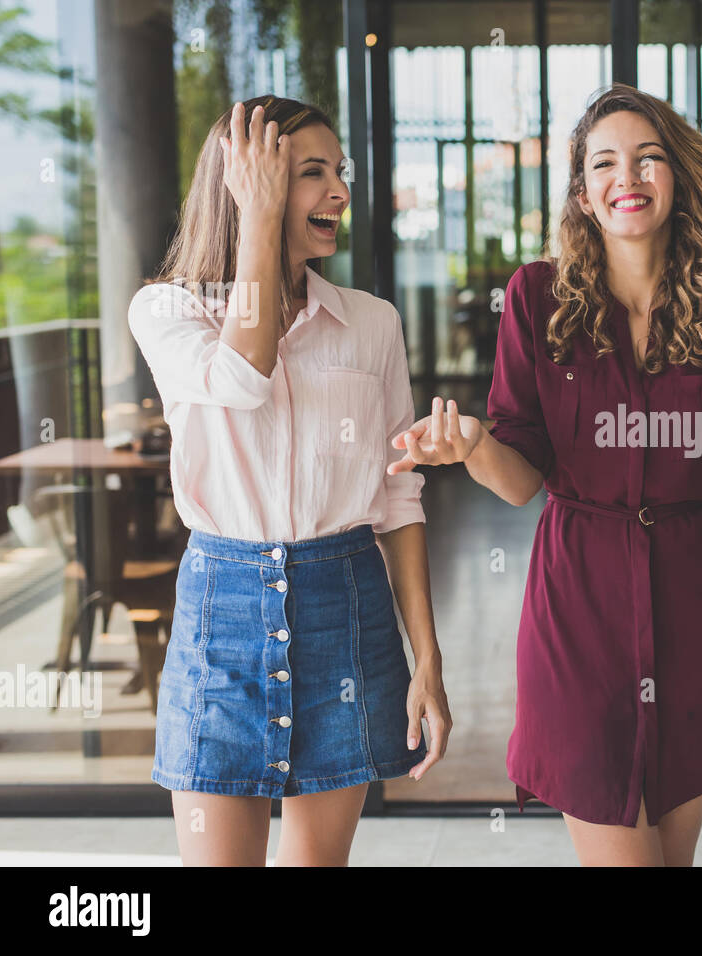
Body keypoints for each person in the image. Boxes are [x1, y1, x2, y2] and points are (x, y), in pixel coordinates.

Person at [389, 84, 702, 866]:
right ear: (581, 192)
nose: (626, 177)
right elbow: (518, 481)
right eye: (604, 162)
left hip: (692, 603)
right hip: (576, 610)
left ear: (677, 175)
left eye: (648, 158)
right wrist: (472, 443)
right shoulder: (536, 298)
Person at [128, 96, 451, 866]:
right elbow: (241, 375)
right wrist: (259, 221)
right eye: (312, 174)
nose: (340, 191)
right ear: (244, 186)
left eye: (339, 172)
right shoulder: (166, 310)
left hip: (344, 602)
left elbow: (400, 498)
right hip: (222, 613)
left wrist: (428, 660)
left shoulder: (372, 323)